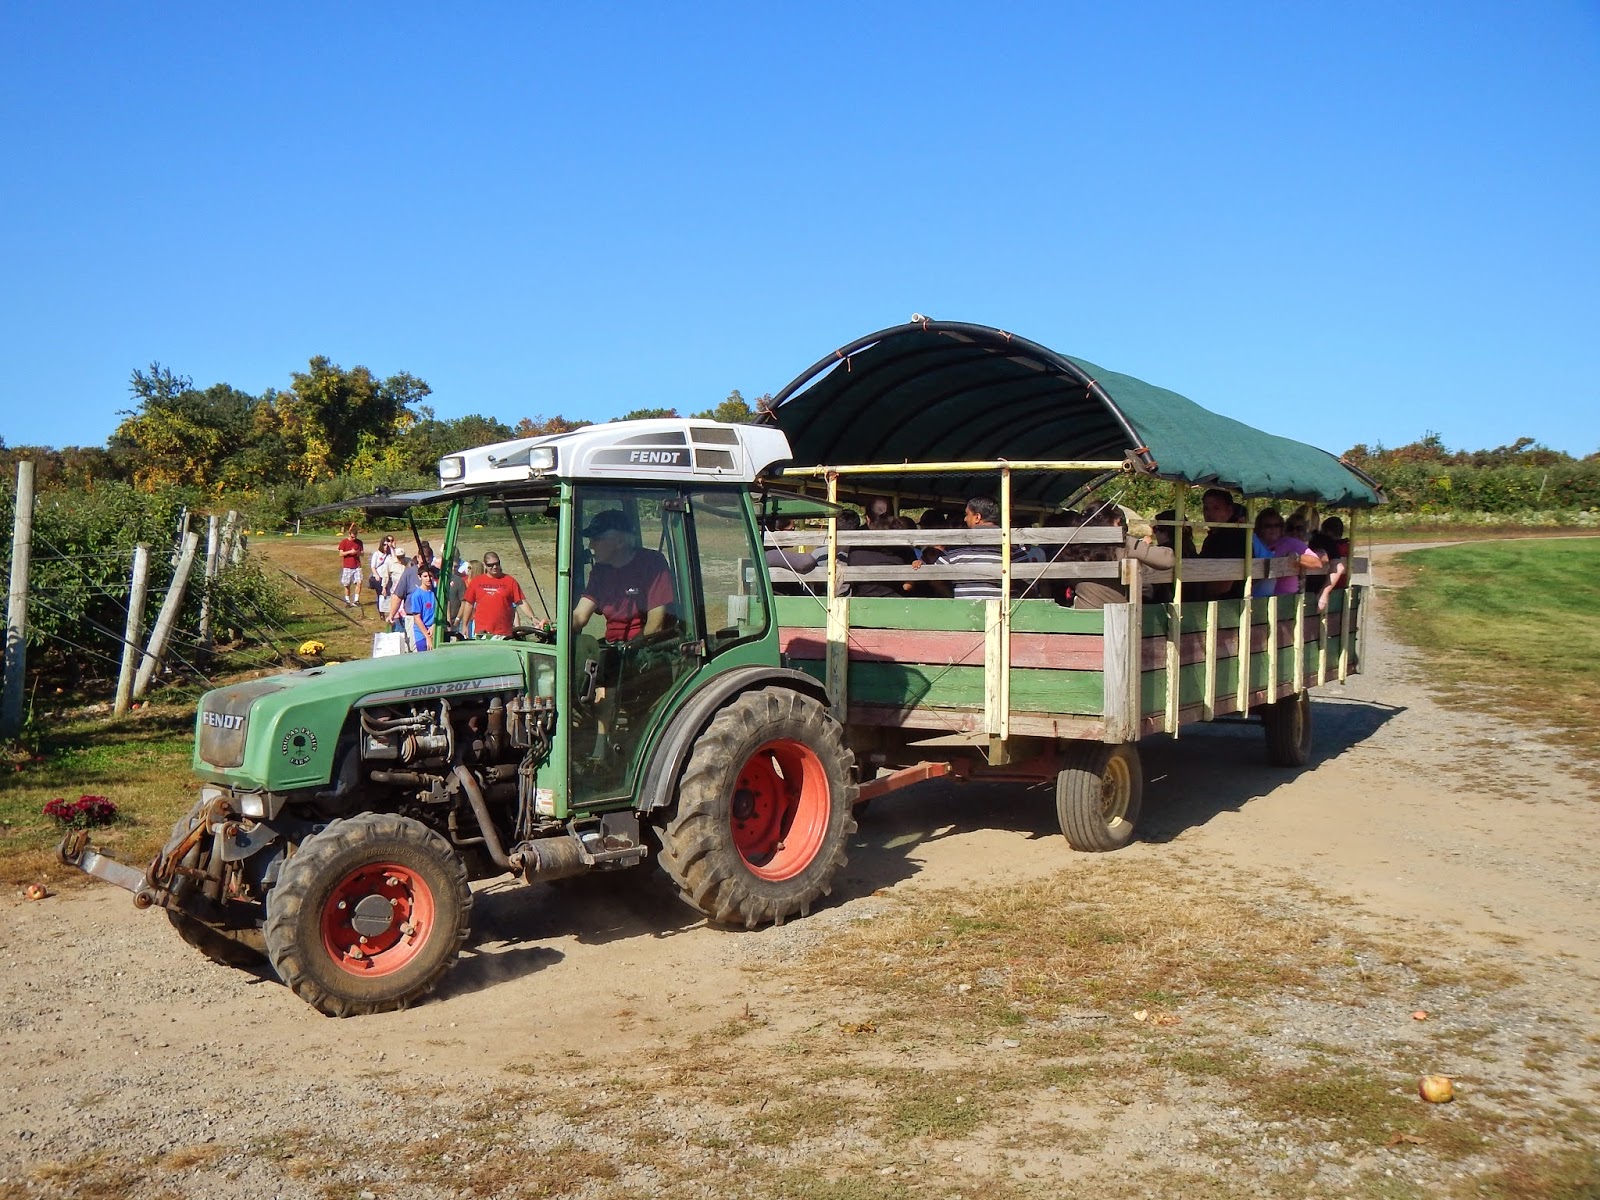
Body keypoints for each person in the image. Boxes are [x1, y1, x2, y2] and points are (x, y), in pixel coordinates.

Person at [571, 511, 675, 641]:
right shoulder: (600, 571)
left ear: (620, 541)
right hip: (614, 646)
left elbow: (655, 626)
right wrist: (557, 628)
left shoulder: (651, 563)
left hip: (647, 646)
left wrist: (633, 651)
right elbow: (580, 616)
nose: (590, 546)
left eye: (596, 540)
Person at [1068, 505, 1176, 610]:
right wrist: (1129, 541)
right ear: (1116, 521)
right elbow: (1168, 559)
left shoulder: (1075, 546)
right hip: (1117, 615)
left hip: (1081, 613)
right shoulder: (1123, 545)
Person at [933, 497, 1025, 599]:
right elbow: (1027, 578)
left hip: (965, 606)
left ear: (977, 517)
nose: (965, 519)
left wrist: (951, 596)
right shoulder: (1011, 544)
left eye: (967, 514)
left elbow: (935, 575)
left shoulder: (958, 544)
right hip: (1003, 606)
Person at [1252, 508, 1325, 597]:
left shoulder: (1290, 542)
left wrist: (1297, 558)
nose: (1273, 529)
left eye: (1277, 525)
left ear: (1282, 527)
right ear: (1260, 528)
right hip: (1258, 596)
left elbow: (1317, 562)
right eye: (1268, 526)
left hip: (1287, 597)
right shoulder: (1253, 544)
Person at [458, 553, 529, 638]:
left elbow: (521, 602)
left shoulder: (510, 581)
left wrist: (533, 617)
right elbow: (469, 604)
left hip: (504, 632)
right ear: (485, 565)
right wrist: (465, 625)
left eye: (497, 564)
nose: (495, 567)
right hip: (482, 632)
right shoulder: (476, 582)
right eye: (490, 565)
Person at [850, 513, 918, 597]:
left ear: (868, 520)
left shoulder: (856, 547)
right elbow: (907, 587)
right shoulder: (905, 549)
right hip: (896, 600)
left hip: (861, 599)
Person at [1197, 489, 1248, 600]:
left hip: (1228, 601)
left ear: (1229, 510)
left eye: (1216, 508)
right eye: (1206, 508)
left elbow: (1224, 584)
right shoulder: (1214, 536)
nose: (1209, 514)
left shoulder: (1233, 537)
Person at [388, 540, 435, 630]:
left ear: (431, 559)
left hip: (432, 619)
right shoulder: (409, 573)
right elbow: (398, 596)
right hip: (413, 617)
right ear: (418, 558)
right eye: (422, 561)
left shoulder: (436, 573)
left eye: (427, 562)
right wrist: (392, 615)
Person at [406, 565, 440, 652]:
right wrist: (427, 637)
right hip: (422, 634)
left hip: (435, 630)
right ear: (419, 577)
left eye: (430, 576)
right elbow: (417, 618)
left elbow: (440, 612)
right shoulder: (417, 595)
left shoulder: (437, 592)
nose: (428, 579)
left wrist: (434, 625)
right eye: (425, 576)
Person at [337, 523, 365, 609]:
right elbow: (341, 554)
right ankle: (347, 601)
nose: (354, 538)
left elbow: (362, 553)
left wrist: (358, 553)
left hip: (357, 565)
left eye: (355, 536)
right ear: (349, 534)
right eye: (352, 537)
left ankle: (356, 600)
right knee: (347, 584)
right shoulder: (344, 542)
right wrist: (350, 552)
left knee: (359, 582)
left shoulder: (359, 542)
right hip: (347, 566)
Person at [368, 536, 396, 617]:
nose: (386, 546)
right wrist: (376, 575)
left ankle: (389, 611)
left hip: (387, 577)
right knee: (381, 595)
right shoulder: (377, 554)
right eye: (384, 545)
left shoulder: (389, 555)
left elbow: (395, 559)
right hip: (378, 577)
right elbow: (373, 566)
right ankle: (381, 613)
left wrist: (392, 547)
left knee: (389, 594)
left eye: (387, 545)